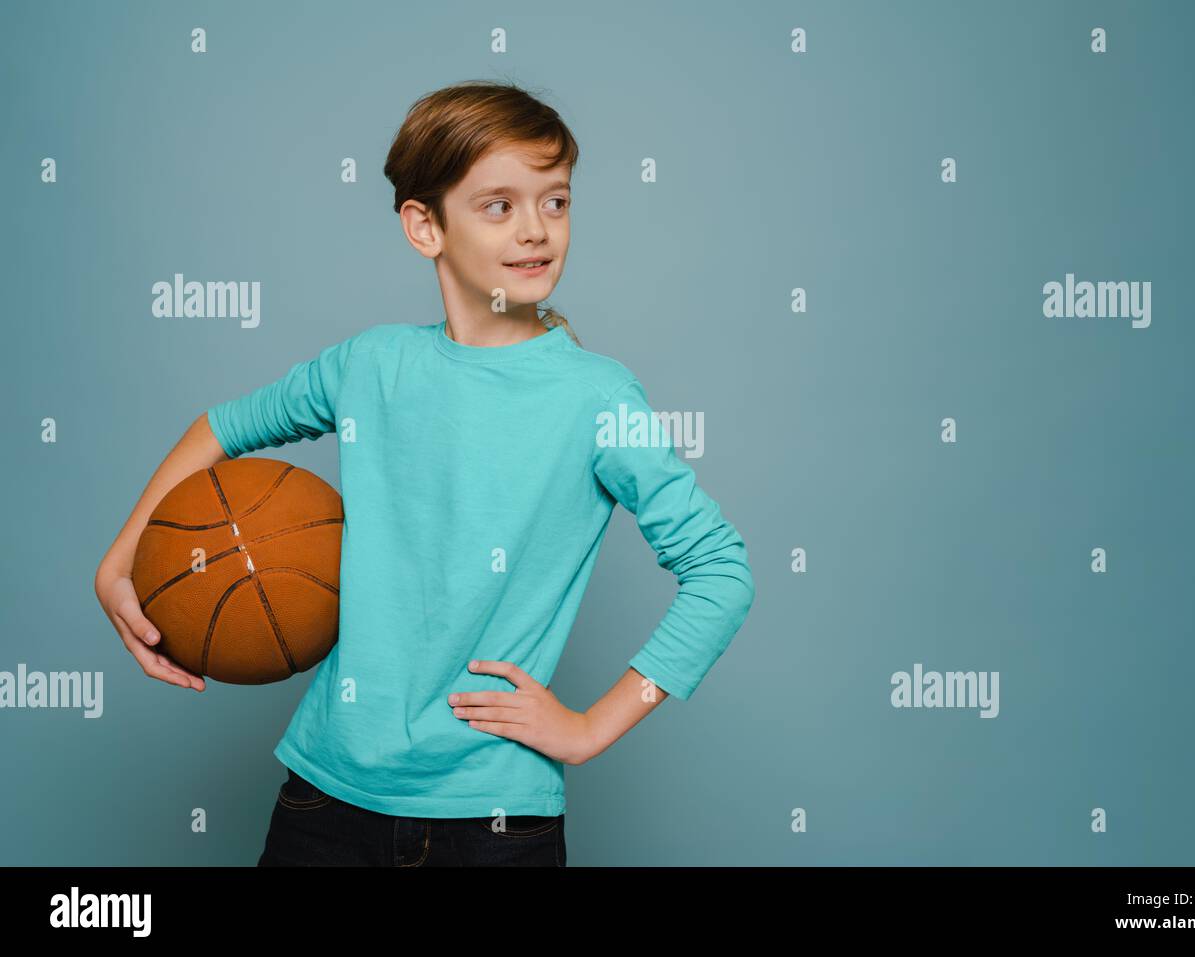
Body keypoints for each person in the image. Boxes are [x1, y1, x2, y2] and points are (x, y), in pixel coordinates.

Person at [93, 79, 756, 866]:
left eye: (556, 201)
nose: (538, 230)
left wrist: (589, 728)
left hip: (500, 826)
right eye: (499, 205)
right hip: (324, 800)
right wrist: (120, 559)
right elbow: (222, 427)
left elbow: (722, 571)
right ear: (424, 225)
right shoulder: (371, 364)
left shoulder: (597, 396)